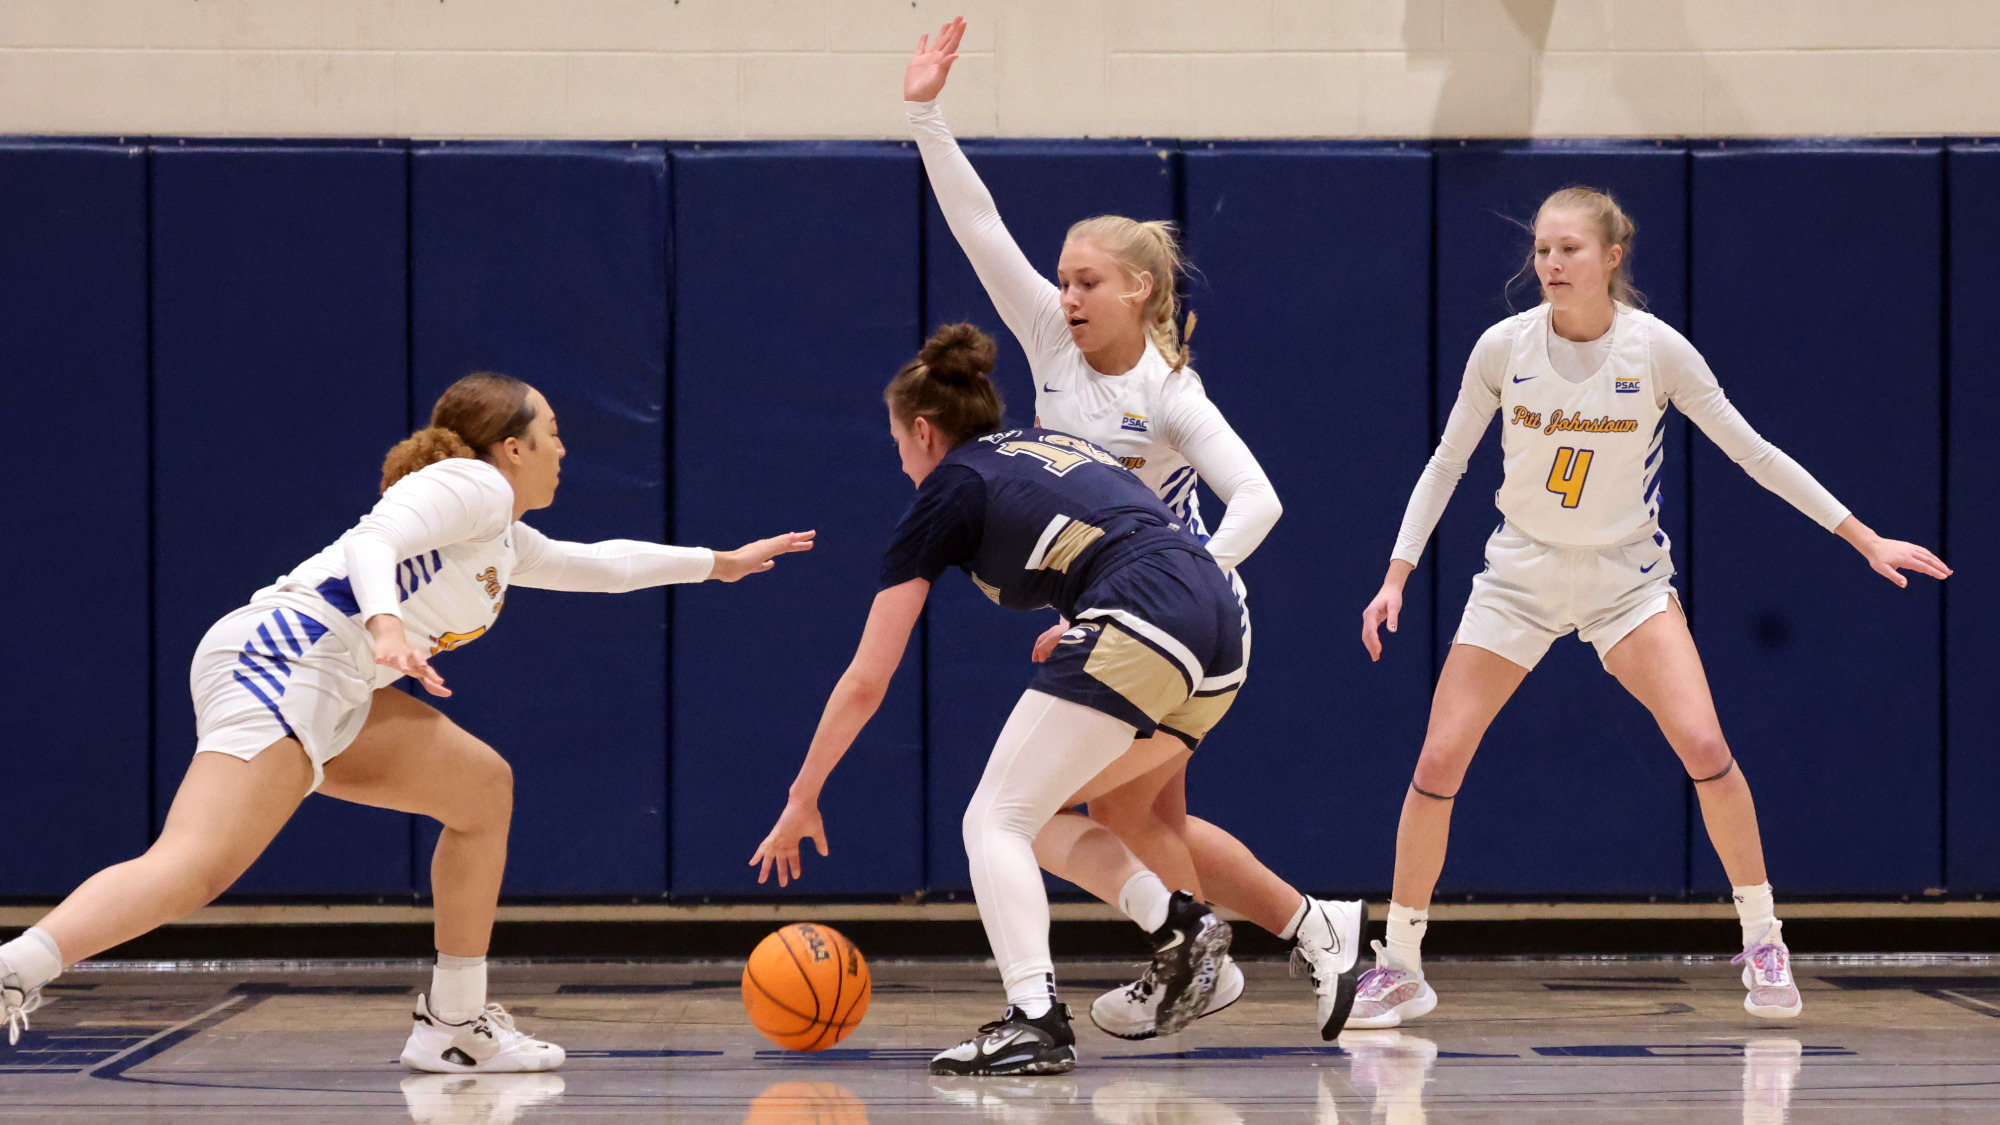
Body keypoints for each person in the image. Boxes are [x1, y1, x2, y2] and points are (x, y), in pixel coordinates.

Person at [0, 372, 814, 1070]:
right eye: (554, 432)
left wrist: (719, 563)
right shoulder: (472, 483)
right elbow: (375, 537)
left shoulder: (501, 535)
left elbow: (599, 563)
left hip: (339, 682)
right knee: (196, 864)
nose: (566, 449)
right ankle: (17, 965)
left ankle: (455, 1025)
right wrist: (388, 624)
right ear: (511, 445)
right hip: (288, 654)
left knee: (481, 790)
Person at [1353, 187, 1951, 1027]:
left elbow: (1755, 453)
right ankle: (1403, 962)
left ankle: (1765, 936)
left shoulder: (1656, 352)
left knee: (1705, 742)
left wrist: (1864, 537)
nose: (1552, 265)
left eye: (1569, 249)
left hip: (1626, 582)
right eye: (1543, 250)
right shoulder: (1503, 347)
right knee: (1437, 761)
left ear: (1611, 257)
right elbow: (1446, 463)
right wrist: (1397, 572)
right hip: (1517, 579)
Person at [904, 16, 1364, 1041]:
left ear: (1138, 290)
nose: (1063, 295)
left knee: (1052, 815)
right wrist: (924, 114)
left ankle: (1257, 941)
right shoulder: (1043, 337)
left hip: (1173, 619)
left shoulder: (1168, 395)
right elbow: (979, 227)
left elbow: (1259, 502)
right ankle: (1283, 936)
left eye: (1084, 282)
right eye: (1061, 280)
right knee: (1130, 815)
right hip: (1139, 621)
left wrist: (1167, 574)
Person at [752, 324, 1244, 1076]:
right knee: (1037, 816)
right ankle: (1177, 921)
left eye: (897, 443)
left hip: (1144, 613)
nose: (900, 459)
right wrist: (1089, 618)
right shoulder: (1044, 447)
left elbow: (866, 678)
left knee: (991, 818)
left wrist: (803, 792)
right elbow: (1123, 529)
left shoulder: (948, 488)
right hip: (1220, 621)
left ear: (923, 431)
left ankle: (1035, 1018)